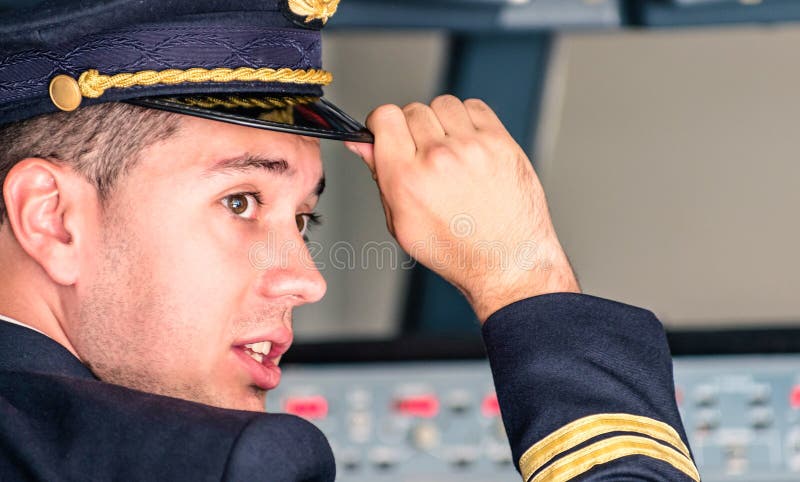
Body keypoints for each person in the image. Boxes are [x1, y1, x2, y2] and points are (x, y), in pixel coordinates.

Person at [0, 0, 700, 481]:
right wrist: (524, 278)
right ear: (51, 217)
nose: (306, 280)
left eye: (303, 221)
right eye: (240, 202)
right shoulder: (220, 464)